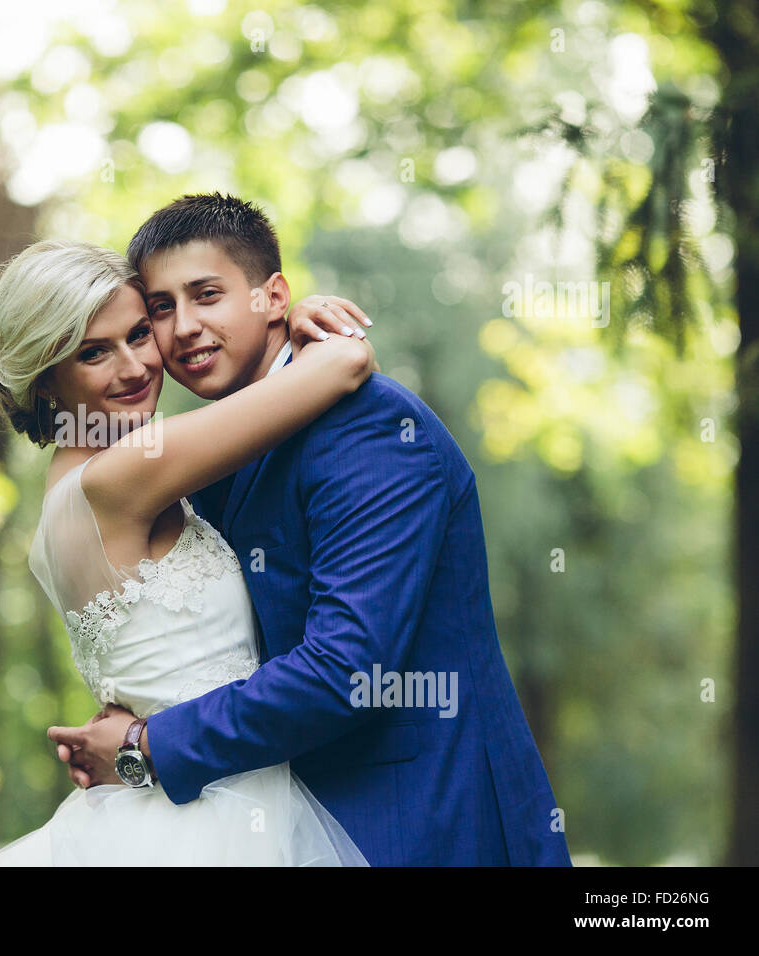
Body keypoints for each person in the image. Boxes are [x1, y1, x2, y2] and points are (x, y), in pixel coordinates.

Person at [45, 193, 572, 866]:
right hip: (282, 819)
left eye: (207, 294)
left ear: (272, 296)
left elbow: (345, 670)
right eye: (161, 307)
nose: (183, 328)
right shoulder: (213, 453)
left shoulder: (371, 429)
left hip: (425, 819)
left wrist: (149, 746)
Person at [0, 236, 375, 865]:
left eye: (139, 334)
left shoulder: (72, 486)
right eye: (93, 353)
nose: (134, 368)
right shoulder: (125, 474)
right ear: (47, 377)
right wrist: (293, 314)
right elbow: (344, 365)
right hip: (211, 819)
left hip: (174, 798)